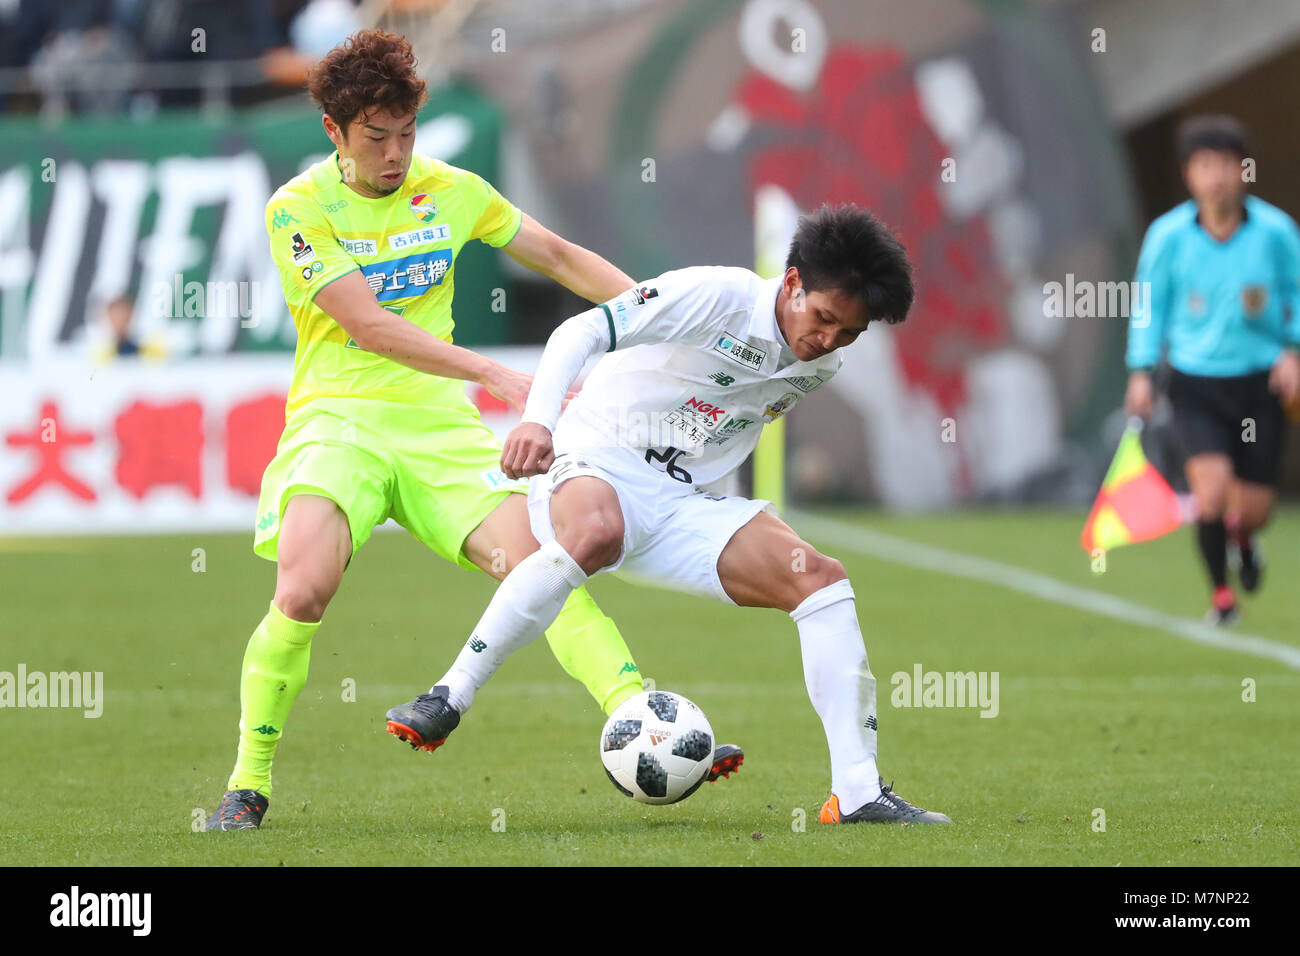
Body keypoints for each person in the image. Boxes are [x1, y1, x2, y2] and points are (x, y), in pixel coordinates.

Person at [205, 29, 740, 831]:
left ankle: (645, 718)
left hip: (440, 430)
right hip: (338, 420)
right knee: (304, 587)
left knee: (543, 567)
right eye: (376, 138)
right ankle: (247, 784)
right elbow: (368, 324)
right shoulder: (300, 209)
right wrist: (491, 371)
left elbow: (559, 255)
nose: (395, 154)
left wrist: (664, 321)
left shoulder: (450, 189)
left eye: (406, 133)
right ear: (334, 132)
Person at [386, 204, 952, 825]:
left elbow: (720, 422)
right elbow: (577, 334)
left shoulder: (821, 363)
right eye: (823, 318)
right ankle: (449, 694)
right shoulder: (717, 294)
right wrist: (537, 423)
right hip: (595, 456)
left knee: (822, 582)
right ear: (792, 282)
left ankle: (858, 791)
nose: (828, 340)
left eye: (849, 332)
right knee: (598, 531)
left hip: (679, 502)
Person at [1124, 115, 1300, 625]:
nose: (1216, 176)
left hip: (1260, 382)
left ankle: (1244, 537)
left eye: (1225, 164)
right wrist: (1140, 370)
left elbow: (1295, 292)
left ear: (1243, 171)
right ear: (1188, 174)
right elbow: (1148, 305)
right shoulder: (1168, 237)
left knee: (1256, 509)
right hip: (1196, 381)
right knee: (1211, 493)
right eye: (1204, 165)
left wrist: (1292, 349)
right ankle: (1222, 598)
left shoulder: (1275, 232)